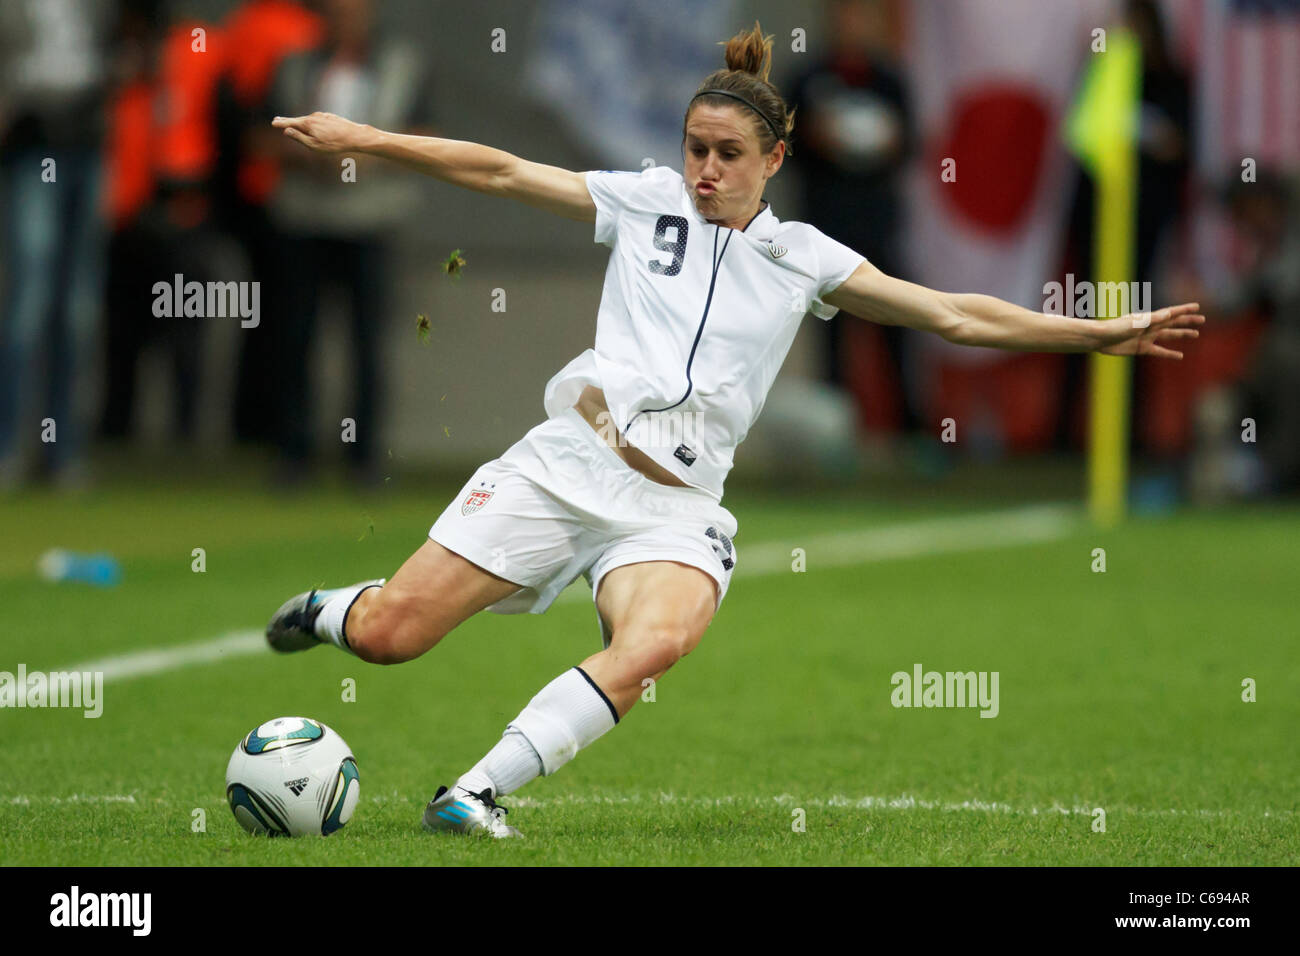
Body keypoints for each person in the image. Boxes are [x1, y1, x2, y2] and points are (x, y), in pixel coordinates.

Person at [263, 23, 1204, 838]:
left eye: (727, 154)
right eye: (694, 148)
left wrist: (1094, 332)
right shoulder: (643, 202)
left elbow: (952, 313)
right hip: (566, 462)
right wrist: (367, 137)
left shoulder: (805, 258)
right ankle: (329, 609)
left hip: (672, 509)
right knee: (391, 637)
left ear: (774, 161)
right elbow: (503, 169)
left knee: (657, 643)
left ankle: (472, 794)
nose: (705, 170)